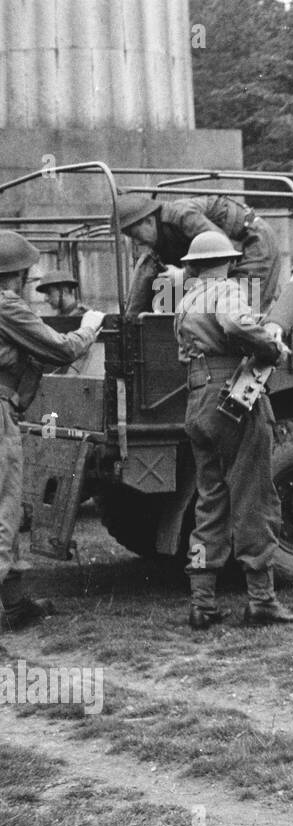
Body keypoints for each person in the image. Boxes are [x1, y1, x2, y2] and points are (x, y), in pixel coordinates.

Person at [174, 231, 293, 631]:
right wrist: (271, 348)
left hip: (199, 400)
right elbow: (236, 326)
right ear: (228, 261)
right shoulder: (225, 290)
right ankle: (261, 601)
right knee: (255, 497)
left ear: (194, 264)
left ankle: (202, 603)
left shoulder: (186, 300)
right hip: (233, 399)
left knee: (211, 503)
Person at [0, 232, 104, 631]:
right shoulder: (8, 305)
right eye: (26, 275)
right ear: (15, 275)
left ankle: (13, 606)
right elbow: (61, 349)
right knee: (5, 510)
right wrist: (89, 328)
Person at [113, 192, 283, 318]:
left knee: (241, 308)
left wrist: (183, 275)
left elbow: (222, 250)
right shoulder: (158, 239)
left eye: (135, 235)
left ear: (149, 221)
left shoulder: (182, 215)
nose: (135, 242)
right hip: (235, 250)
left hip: (254, 244)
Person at [36, 271, 103, 376]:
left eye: (49, 293)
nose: (45, 299)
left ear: (64, 290)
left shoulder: (86, 317)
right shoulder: (58, 318)